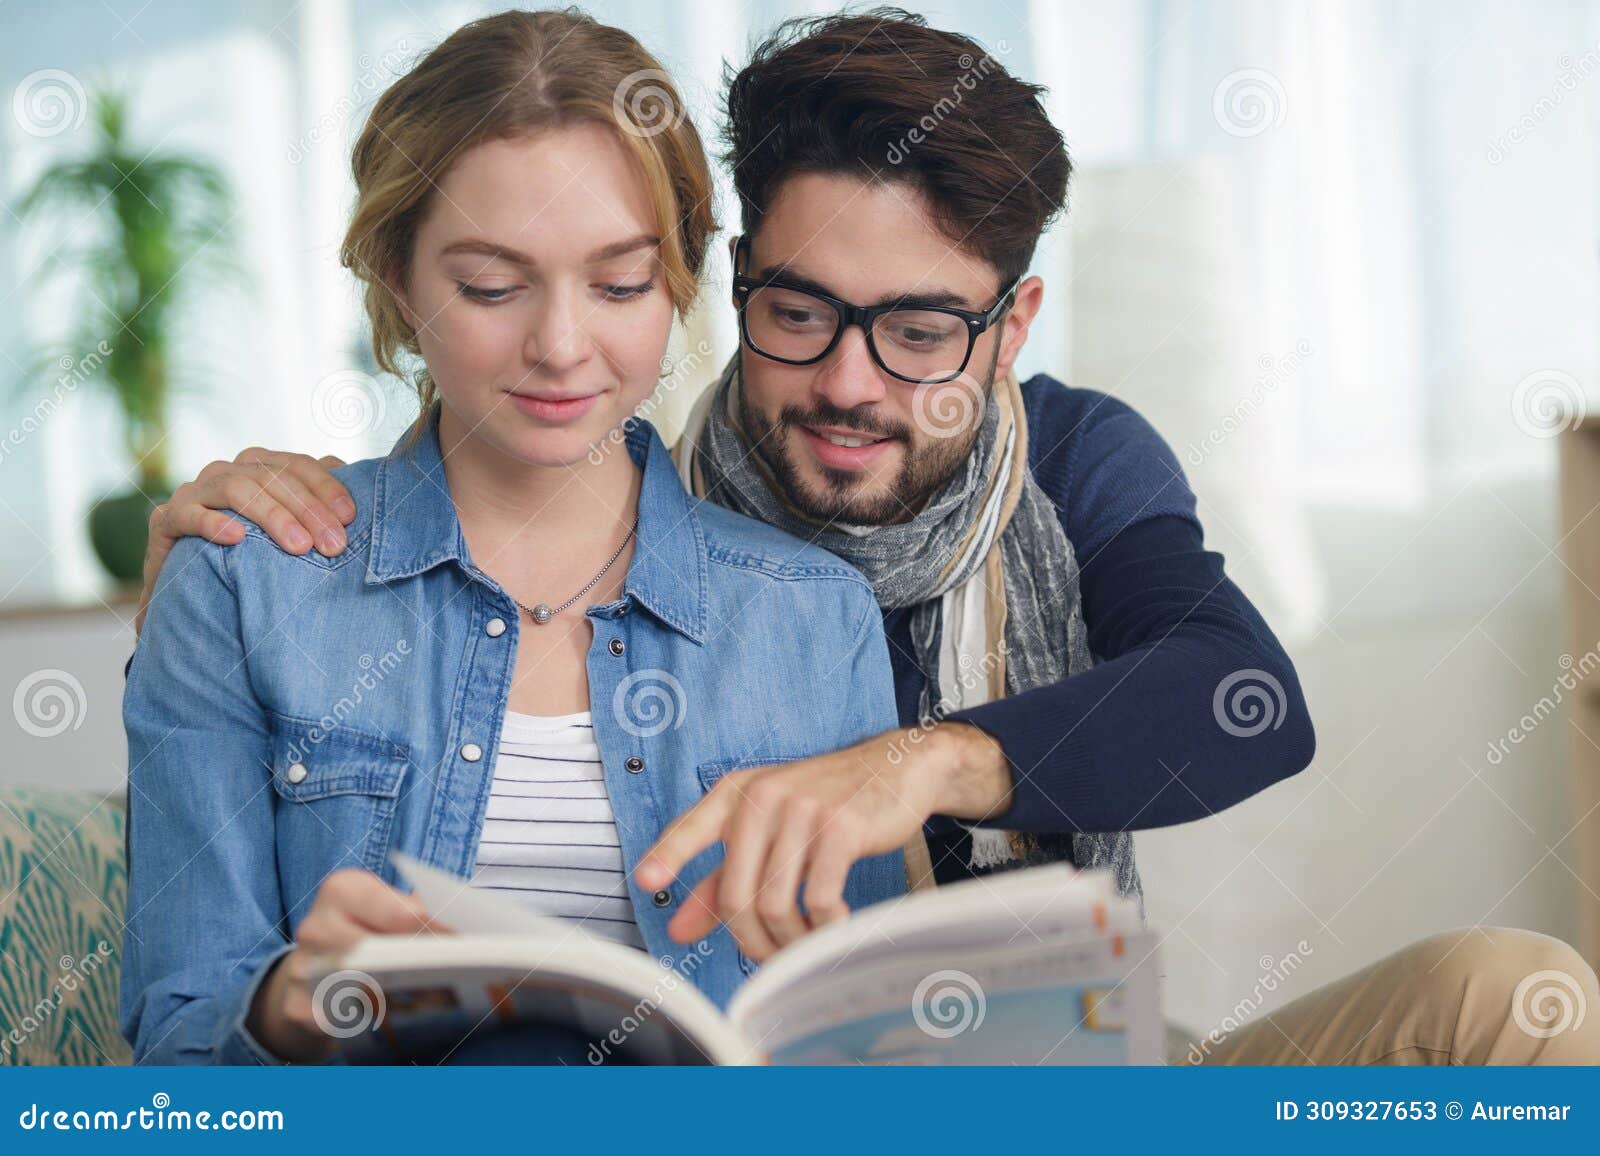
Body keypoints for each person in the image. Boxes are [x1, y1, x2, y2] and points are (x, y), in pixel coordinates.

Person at [134, 9, 1600, 1064]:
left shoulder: (1046, 476)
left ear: (1010, 326)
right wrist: (216, 556)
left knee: (1514, 994)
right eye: (801, 313)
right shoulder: (315, 563)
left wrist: (914, 763)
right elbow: (186, 1019)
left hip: (1059, 1075)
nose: (845, 380)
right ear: (738, 285)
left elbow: (1247, 701)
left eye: (915, 330)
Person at [119, 9, 911, 1067]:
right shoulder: (241, 580)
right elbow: (175, 1046)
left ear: (676, 278)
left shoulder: (814, 616)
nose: (560, 345)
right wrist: (281, 1010)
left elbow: (855, 1044)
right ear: (396, 277)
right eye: (491, 286)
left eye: (621, 282)